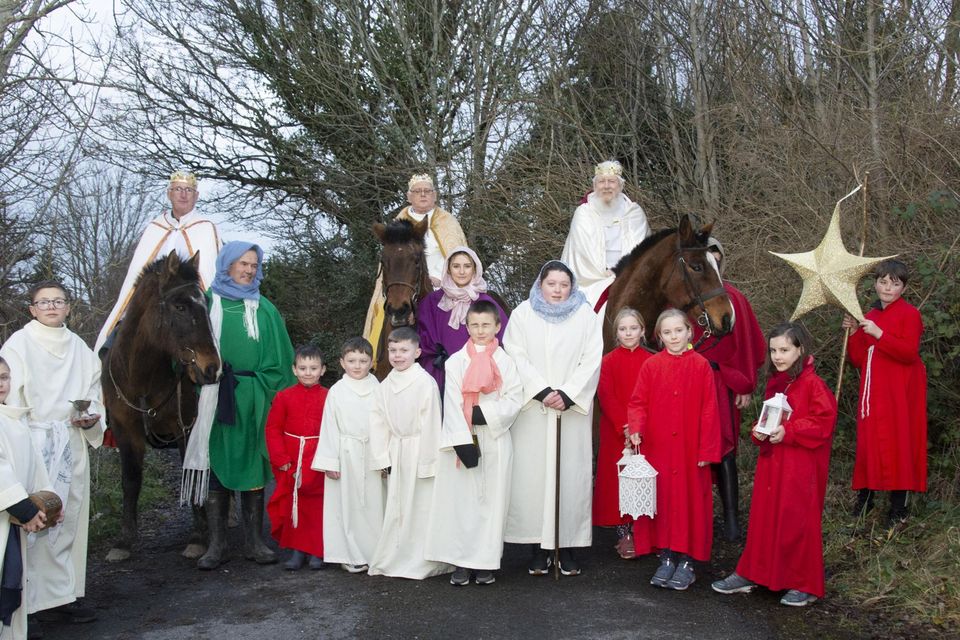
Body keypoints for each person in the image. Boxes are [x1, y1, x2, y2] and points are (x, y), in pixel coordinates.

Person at [181, 242, 295, 570]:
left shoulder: (266, 309)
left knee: (252, 463)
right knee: (217, 461)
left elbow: (283, 358)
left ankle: (254, 541)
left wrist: (272, 395)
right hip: (215, 396)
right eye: (242, 263)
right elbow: (186, 348)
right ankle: (217, 543)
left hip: (255, 397)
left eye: (253, 265)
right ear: (227, 264)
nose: (248, 270)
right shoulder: (206, 303)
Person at [1, 281, 104, 630]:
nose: (50, 307)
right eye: (43, 302)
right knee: (38, 517)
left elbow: (94, 392)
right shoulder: (19, 344)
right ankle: (30, 600)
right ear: (31, 309)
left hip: (70, 441)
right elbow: (9, 399)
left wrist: (92, 417)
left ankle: (62, 595)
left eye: (58, 301)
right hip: (33, 441)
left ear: (68, 308)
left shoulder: (79, 347)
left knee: (68, 518)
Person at [712, 322, 837, 607]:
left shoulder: (813, 384)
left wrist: (790, 431)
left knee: (797, 522)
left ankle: (802, 583)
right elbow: (771, 417)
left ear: (800, 350)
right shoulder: (778, 381)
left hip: (800, 467)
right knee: (765, 519)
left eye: (784, 350)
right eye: (773, 350)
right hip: (773, 463)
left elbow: (823, 422)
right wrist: (759, 430)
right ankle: (753, 572)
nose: (778, 356)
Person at [502, 261, 602, 577]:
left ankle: (567, 546)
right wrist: (542, 390)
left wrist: (569, 393)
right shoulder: (522, 314)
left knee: (568, 476)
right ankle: (537, 548)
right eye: (551, 284)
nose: (557, 290)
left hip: (570, 410)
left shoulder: (585, 315)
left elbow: (592, 357)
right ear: (540, 283)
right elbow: (514, 353)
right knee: (534, 479)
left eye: (563, 284)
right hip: (535, 408)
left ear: (571, 287)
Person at [424, 300, 523, 586]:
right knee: (462, 503)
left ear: (497, 327)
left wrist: (485, 413)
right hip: (464, 441)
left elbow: (514, 398)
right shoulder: (457, 361)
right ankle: (461, 562)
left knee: (491, 502)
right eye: (475, 325)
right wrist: (461, 440)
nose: (480, 331)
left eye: (486, 325)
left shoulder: (505, 361)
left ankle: (485, 563)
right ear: (467, 326)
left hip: (494, 438)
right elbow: (452, 401)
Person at [627, 309, 720, 591]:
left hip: (691, 449)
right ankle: (666, 555)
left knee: (691, 502)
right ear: (659, 336)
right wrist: (636, 428)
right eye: (667, 333)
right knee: (664, 502)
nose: (673, 337)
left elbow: (710, 410)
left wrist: (707, 451)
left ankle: (688, 561)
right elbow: (638, 402)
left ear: (689, 332)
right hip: (659, 448)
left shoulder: (702, 365)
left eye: (678, 331)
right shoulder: (652, 366)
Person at [95, 170, 222, 353]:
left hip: (189, 300)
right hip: (156, 296)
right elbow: (138, 271)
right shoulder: (155, 227)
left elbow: (210, 271)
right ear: (169, 193)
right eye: (178, 189)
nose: (183, 194)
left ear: (196, 196)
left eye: (189, 190)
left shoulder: (206, 228)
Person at [841, 259, 927, 527]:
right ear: (875, 283)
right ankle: (866, 501)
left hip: (899, 393)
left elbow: (908, 353)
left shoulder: (910, 314)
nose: (888, 287)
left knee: (899, 442)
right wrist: (855, 332)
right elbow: (858, 359)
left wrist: (879, 334)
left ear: (903, 287)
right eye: (883, 281)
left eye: (895, 283)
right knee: (870, 444)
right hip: (873, 393)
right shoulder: (870, 315)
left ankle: (898, 508)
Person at [692, 237, 766, 541]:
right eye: (706, 256)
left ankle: (731, 518)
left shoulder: (734, 298)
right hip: (690, 384)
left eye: (716, 254)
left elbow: (750, 345)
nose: (713, 259)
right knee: (690, 451)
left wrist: (744, 381)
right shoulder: (682, 300)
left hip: (722, 382)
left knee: (724, 451)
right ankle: (696, 517)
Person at [366, 327, 450, 580]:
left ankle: (423, 557)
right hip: (397, 448)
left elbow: (432, 423)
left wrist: (428, 462)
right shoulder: (385, 384)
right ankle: (397, 554)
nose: (398, 356)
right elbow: (378, 421)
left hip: (420, 449)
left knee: (422, 505)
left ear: (417, 352)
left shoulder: (425, 382)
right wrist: (382, 457)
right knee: (398, 505)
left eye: (404, 350)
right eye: (393, 350)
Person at [362, 173, 468, 361]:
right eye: (417, 191)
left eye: (427, 191)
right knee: (382, 316)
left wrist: (444, 279)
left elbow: (461, 259)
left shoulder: (449, 223)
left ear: (435, 195)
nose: (423, 195)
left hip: (445, 287)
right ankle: (377, 361)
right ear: (408, 196)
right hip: (405, 285)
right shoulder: (398, 223)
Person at [311, 337, 385, 574]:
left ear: (371, 362)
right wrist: (330, 461)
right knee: (348, 506)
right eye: (351, 360)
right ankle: (350, 553)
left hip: (372, 453)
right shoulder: (337, 391)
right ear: (342, 362)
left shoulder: (379, 389)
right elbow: (329, 427)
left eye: (363, 360)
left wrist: (385, 459)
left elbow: (386, 425)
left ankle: (376, 553)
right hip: (346, 453)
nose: (357, 365)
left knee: (375, 504)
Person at [0, 356, 56, 640]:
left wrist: (41, 506)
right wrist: (23, 508)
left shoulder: (11, 417)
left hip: (12, 518)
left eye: (4, 376)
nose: (1, 384)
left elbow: (32, 462)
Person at [594, 307, 653, 559]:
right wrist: (624, 426)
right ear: (615, 333)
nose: (628, 333)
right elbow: (606, 396)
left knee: (644, 481)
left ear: (642, 330)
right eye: (622, 329)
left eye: (633, 328)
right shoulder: (607, 361)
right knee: (618, 483)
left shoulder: (652, 360)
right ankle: (624, 533)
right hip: (615, 431)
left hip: (646, 430)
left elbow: (653, 396)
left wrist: (639, 426)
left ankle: (644, 532)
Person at [265, 344, 329, 571]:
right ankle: (296, 550)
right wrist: (281, 458)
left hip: (318, 457)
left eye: (313, 368)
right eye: (303, 368)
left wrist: (329, 458)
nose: (308, 372)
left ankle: (317, 551)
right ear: (294, 370)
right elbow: (273, 428)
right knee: (294, 502)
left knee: (318, 504)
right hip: (292, 458)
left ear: (323, 370)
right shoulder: (284, 397)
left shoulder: (329, 397)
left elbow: (334, 430)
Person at [416, 247, 508, 396]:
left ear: (475, 269)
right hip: (438, 374)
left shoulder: (486, 302)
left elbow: (504, 337)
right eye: (456, 266)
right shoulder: (432, 301)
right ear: (448, 269)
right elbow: (420, 337)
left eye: (467, 266)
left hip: (477, 373)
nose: (462, 271)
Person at [561, 160, 650, 307]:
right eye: (602, 181)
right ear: (595, 186)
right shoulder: (584, 213)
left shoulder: (634, 212)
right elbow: (583, 254)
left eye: (612, 181)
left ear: (620, 185)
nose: (607, 186)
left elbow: (640, 250)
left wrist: (622, 271)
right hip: (591, 279)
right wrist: (605, 274)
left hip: (630, 276)